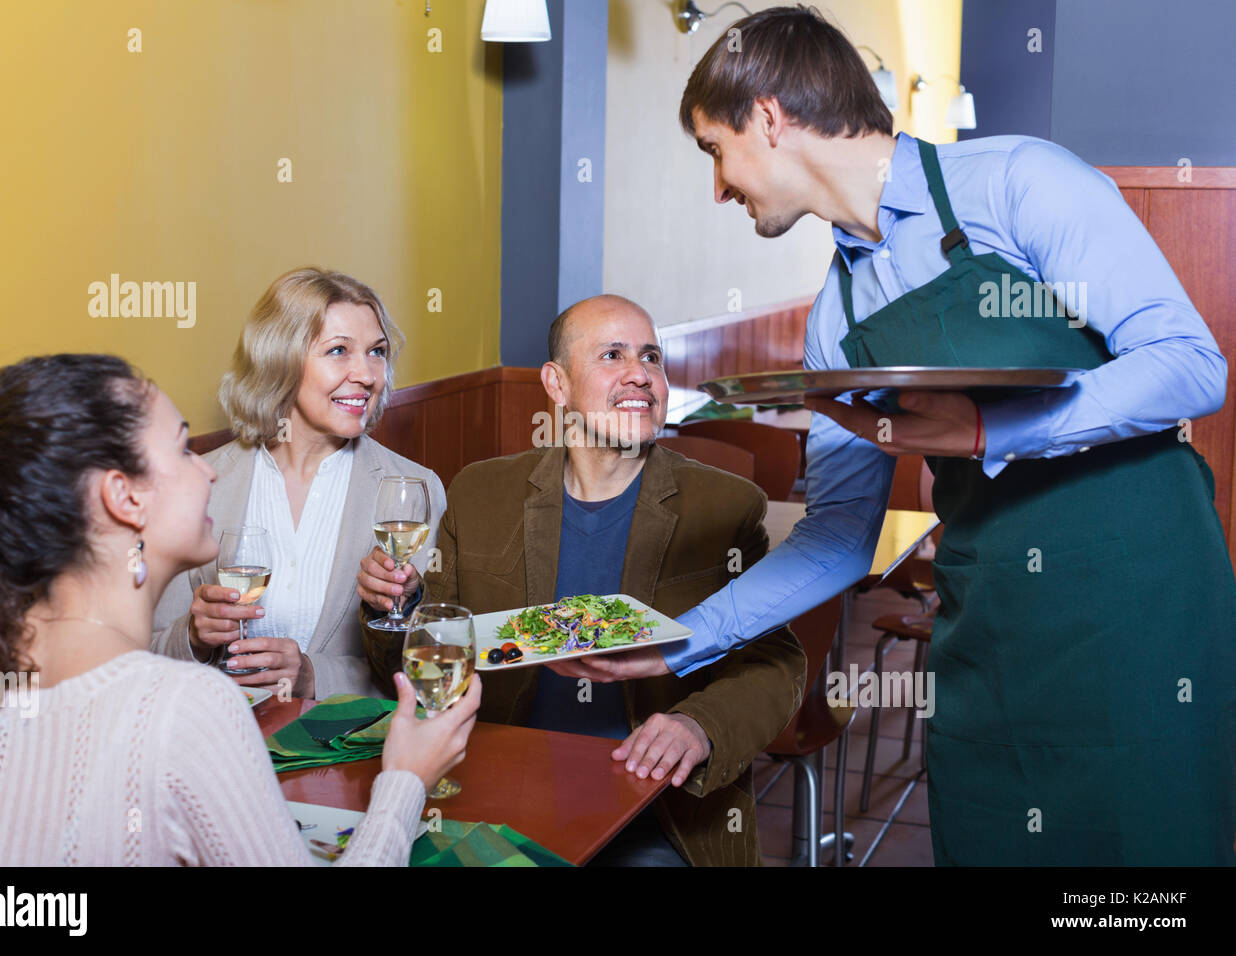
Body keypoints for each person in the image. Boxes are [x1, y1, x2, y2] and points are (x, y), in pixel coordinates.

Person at [554, 5, 1236, 865]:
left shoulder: (1018, 181)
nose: (718, 187)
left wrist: (990, 428)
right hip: (988, 622)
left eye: (713, 151)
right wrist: (683, 636)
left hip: (1139, 602)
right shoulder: (835, 321)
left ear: (768, 115)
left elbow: (1188, 363)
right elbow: (841, 537)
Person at [0, 354, 479, 865]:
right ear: (124, 497)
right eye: (181, 449)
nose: (210, 470)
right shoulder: (185, 708)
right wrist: (407, 777)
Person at [360, 295, 808, 866]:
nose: (640, 375)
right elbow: (419, 663)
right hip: (496, 794)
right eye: (612, 355)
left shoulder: (726, 506)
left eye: (651, 357)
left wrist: (700, 727)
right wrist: (397, 603)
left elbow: (775, 661)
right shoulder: (480, 494)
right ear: (557, 383)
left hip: (654, 813)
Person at [151, 268, 446, 699]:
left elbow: (427, 666)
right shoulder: (200, 483)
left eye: (377, 351)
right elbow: (142, 656)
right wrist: (194, 638)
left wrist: (313, 677)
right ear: (280, 359)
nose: (366, 374)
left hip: (351, 760)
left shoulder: (415, 491)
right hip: (218, 742)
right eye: (339, 350)